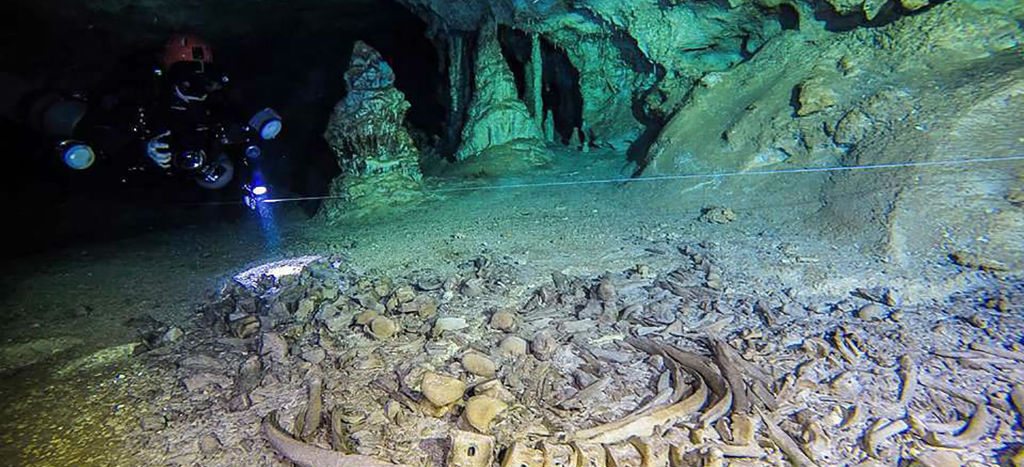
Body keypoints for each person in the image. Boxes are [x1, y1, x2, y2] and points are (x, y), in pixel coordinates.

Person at [145, 33, 230, 169]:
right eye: (187, 74)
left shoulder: (219, 104)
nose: (196, 83)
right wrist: (148, 149)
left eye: (204, 75)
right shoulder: (155, 103)